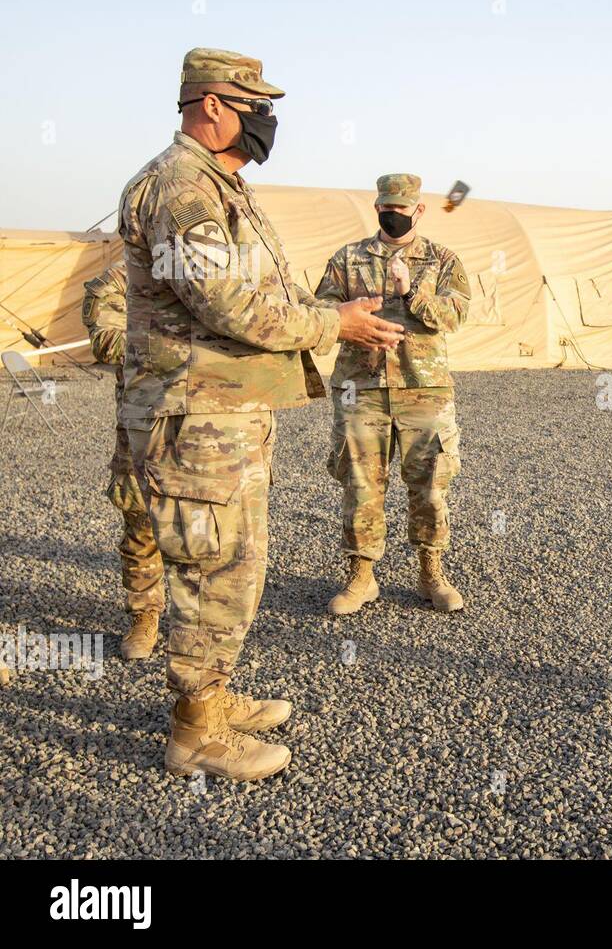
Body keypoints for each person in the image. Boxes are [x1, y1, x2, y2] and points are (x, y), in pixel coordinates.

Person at [118, 47, 404, 780]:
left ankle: (212, 696)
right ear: (211, 105)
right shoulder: (181, 190)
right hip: (194, 418)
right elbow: (227, 304)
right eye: (255, 109)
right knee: (212, 567)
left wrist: (328, 311)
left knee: (237, 564)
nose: (265, 123)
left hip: (226, 413)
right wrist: (331, 326)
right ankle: (195, 733)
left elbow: (261, 291)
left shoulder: (221, 186)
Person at [315, 174, 471, 615]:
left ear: (418, 210)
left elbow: (456, 314)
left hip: (424, 389)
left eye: (402, 209)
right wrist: (349, 319)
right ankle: (361, 577)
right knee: (361, 484)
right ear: (377, 206)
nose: (393, 215)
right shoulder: (348, 258)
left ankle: (431, 573)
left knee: (430, 484)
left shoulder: (442, 260)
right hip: (360, 388)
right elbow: (319, 311)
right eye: (386, 207)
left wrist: (413, 292)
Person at [81, 261, 166, 659]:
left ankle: (201, 624)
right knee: (141, 523)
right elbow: (107, 342)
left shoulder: (209, 269)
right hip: (143, 424)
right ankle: (144, 614)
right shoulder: (116, 281)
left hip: (210, 425)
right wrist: (183, 345)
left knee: (209, 529)